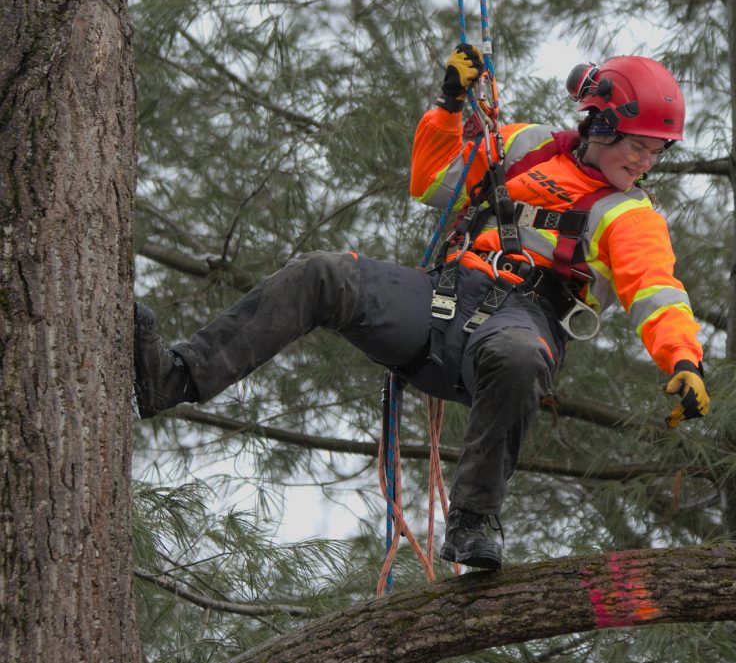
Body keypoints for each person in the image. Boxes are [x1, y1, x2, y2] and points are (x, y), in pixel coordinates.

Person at [133, 45, 707, 571]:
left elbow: (655, 289)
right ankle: (176, 378)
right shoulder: (528, 147)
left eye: (657, 152)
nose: (646, 163)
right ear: (599, 125)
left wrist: (683, 360)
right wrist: (451, 107)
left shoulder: (631, 216)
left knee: (518, 357)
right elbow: (434, 180)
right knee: (322, 275)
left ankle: (473, 519)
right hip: (442, 299)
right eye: (639, 146)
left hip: (521, 323)